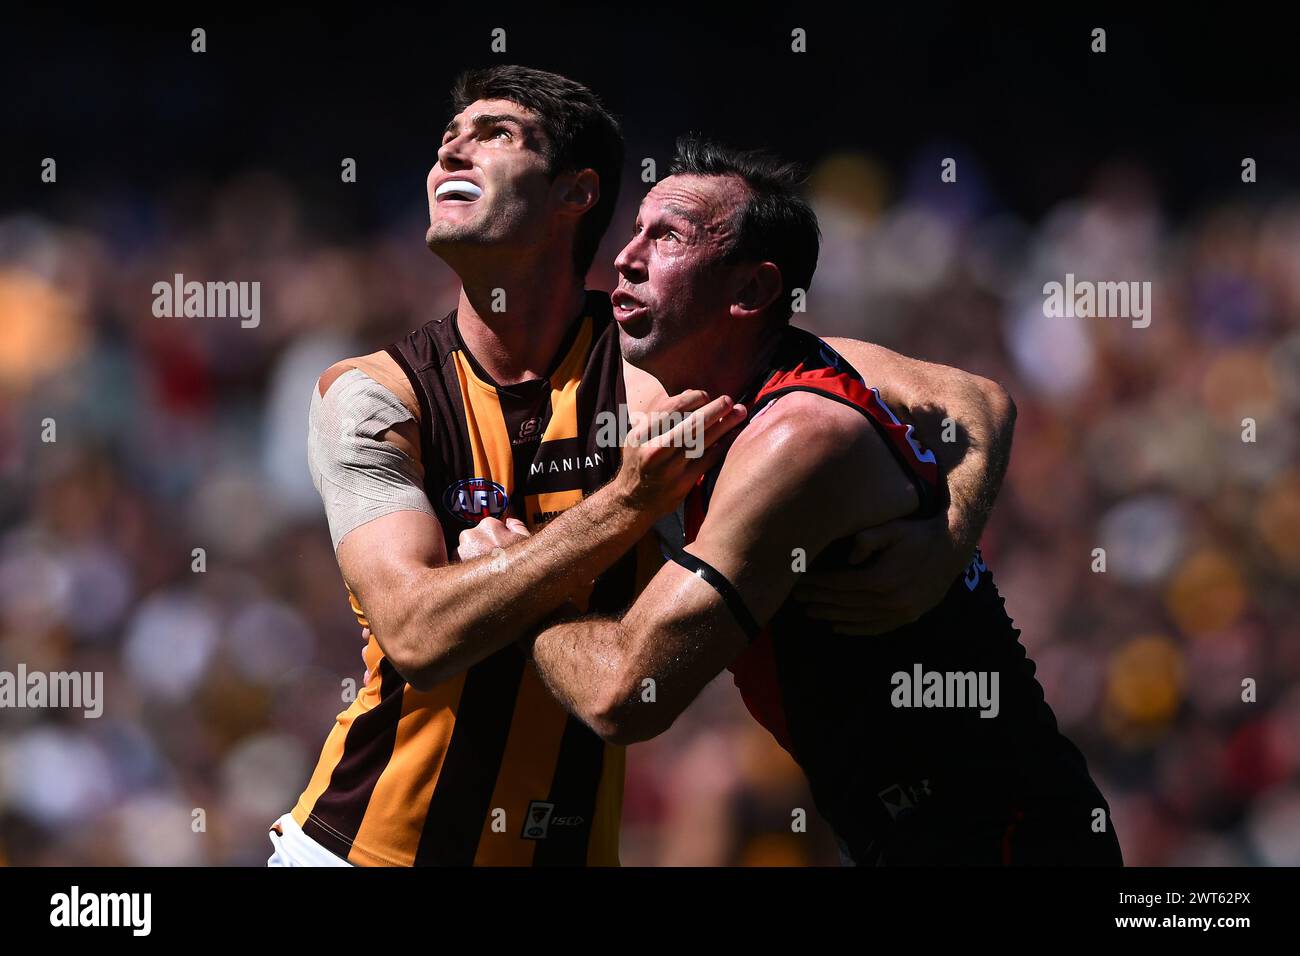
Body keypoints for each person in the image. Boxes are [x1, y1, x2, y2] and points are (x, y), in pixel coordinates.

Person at [271, 66, 1017, 867]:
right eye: (449, 138)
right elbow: (416, 631)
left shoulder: (665, 361)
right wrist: (622, 504)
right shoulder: (373, 397)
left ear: (576, 194)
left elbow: (968, 399)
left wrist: (948, 536)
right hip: (360, 853)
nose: (453, 150)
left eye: (496, 135)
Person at [493, 135, 1123, 866]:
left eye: (665, 237)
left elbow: (623, 696)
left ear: (752, 291)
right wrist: (954, 529)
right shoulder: (748, 368)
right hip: (892, 831)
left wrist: (516, 580)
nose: (627, 257)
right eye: (635, 229)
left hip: (1003, 840)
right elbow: (978, 395)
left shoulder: (800, 436)